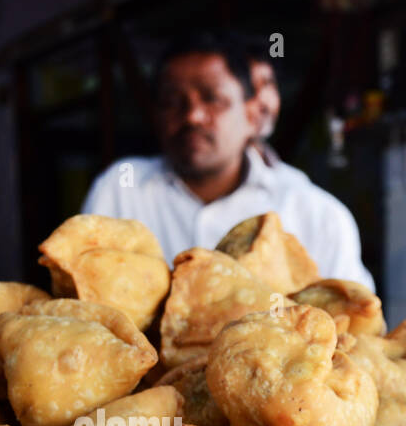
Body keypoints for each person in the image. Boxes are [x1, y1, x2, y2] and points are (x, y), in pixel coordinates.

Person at [81, 30, 373, 289]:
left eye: (212, 98)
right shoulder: (121, 189)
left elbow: (355, 327)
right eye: (172, 102)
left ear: (252, 115)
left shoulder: (314, 214)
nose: (192, 116)